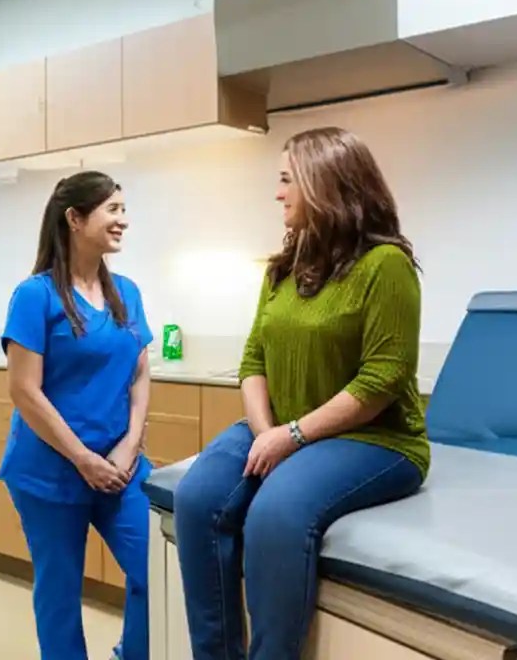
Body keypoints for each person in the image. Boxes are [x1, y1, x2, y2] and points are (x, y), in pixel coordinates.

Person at [173, 127, 430, 660]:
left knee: (275, 511)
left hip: (374, 439)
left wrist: (292, 437)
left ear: (325, 183)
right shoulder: (281, 270)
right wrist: (268, 434)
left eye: (287, 179)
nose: (278, 192)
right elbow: (253, 361)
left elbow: (382, 379)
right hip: (284, 429)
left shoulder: (387, 266)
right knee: (197, 498)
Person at [1, 171, 152, 660]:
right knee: (60, 592)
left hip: (122, 468)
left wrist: (130, 443)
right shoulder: (35, 296)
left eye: (123, 210)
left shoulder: (126, 292)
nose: (123, 221)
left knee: (158, 569)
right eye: (113, 210)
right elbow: (24, 390)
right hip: (51, 471)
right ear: (75, 218)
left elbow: (141, 375)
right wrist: (83, 458)